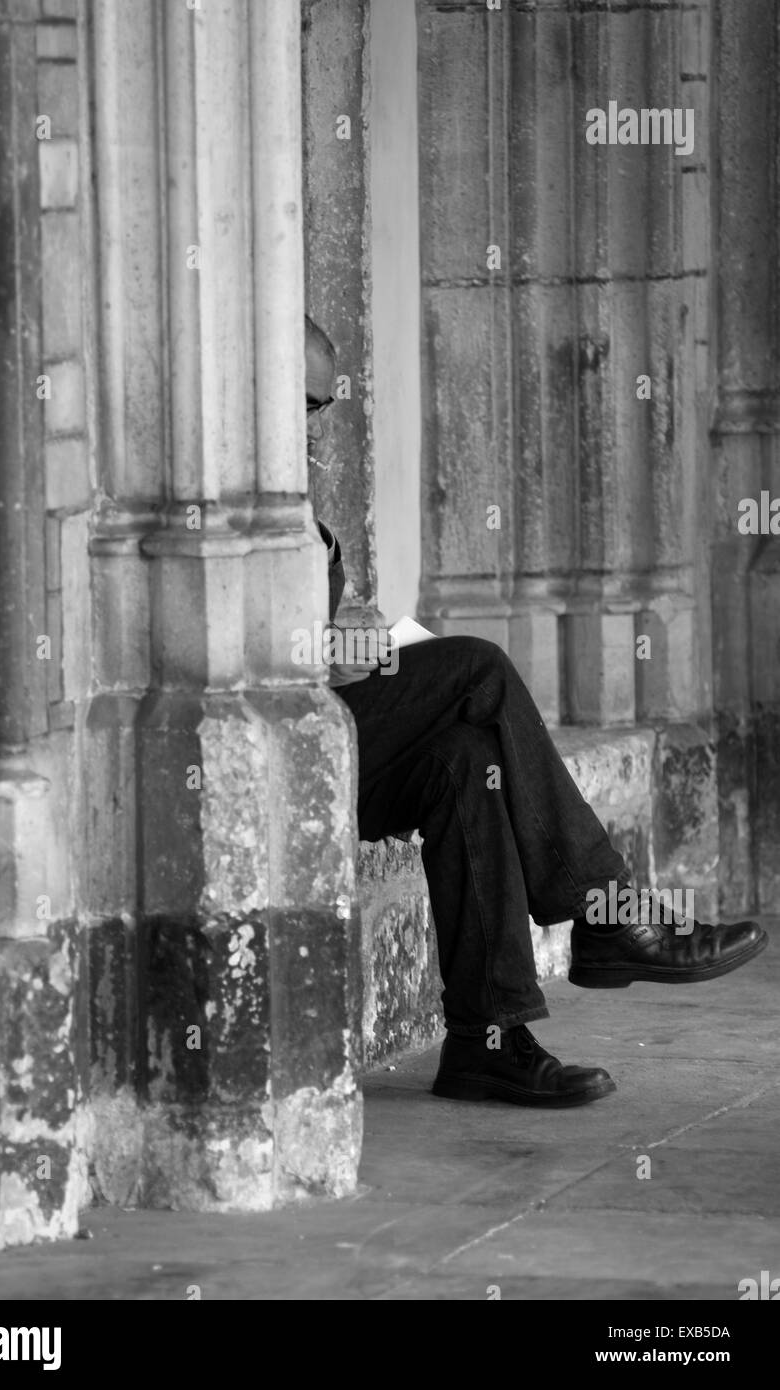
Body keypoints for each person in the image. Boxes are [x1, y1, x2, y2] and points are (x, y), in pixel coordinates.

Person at [304, 315, 768, 1108]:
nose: (313, 425)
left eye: (321, 409)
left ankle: (488, 1042)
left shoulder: (304, 514)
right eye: (303, 403)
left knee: (470, 765)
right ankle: (604, 909)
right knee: (478, 666)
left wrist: (355, 639)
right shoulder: (220, 500)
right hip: (285, 748)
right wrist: (323, 655)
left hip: (340, 729)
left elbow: (326, 638)